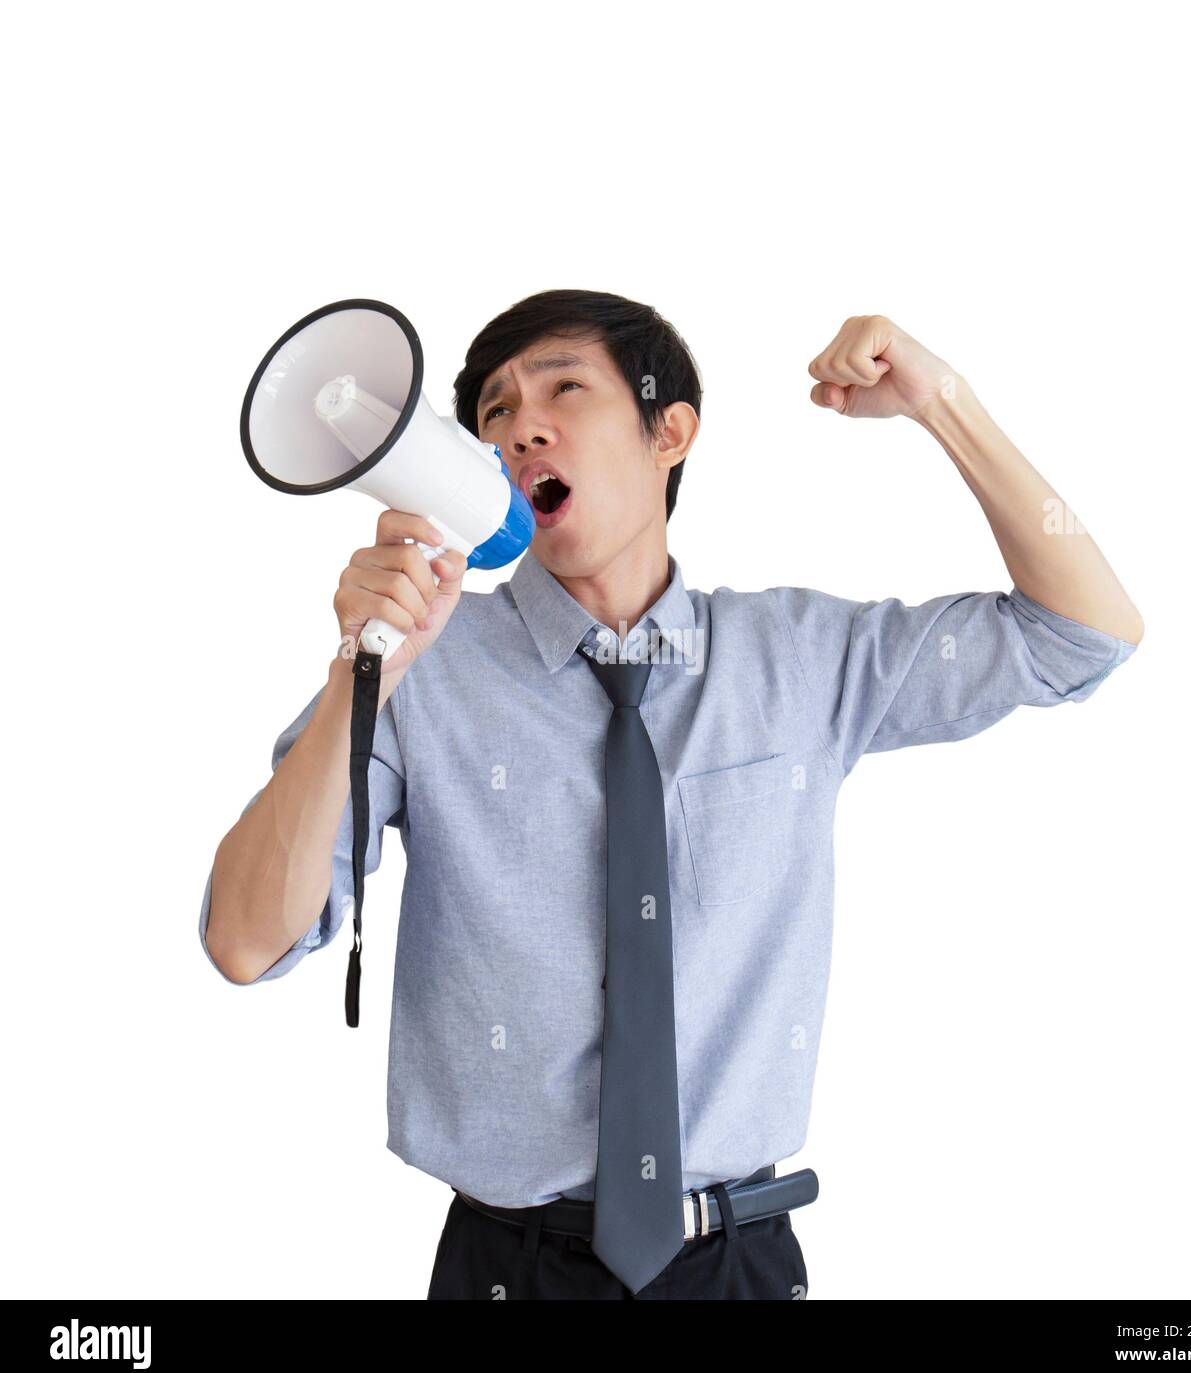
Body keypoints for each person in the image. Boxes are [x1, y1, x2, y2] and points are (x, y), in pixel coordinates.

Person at [199, 290, 1143, 1300]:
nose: (523, 425)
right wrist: (362, 667)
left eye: (564, 387)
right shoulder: (417, 670)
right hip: (506, 1273)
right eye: (494, 414)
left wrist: (938, 400)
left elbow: (1084, 634)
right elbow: (245, 940)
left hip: (738, 1263)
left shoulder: (802, 660)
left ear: (670, 432)